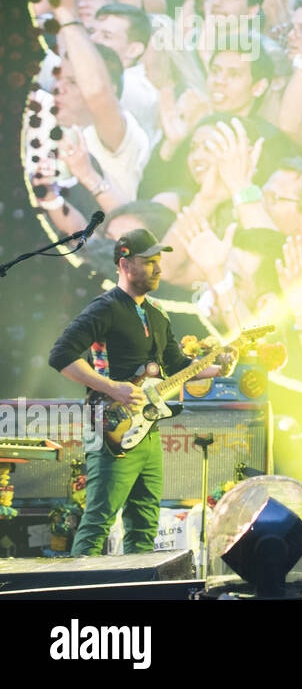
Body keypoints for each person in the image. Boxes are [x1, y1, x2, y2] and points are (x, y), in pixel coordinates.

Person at [46, 229, 223, 555]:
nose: (159, 269)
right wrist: (112, 387)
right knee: (98, 522)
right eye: (150, 262)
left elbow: (177, 365)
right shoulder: (105, 308)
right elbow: (61, 356)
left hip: (148, 432)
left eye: (160, 261)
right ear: (125, 264)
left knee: (144, 524)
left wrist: (218, 366)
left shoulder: (157, 314)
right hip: (111, 428)